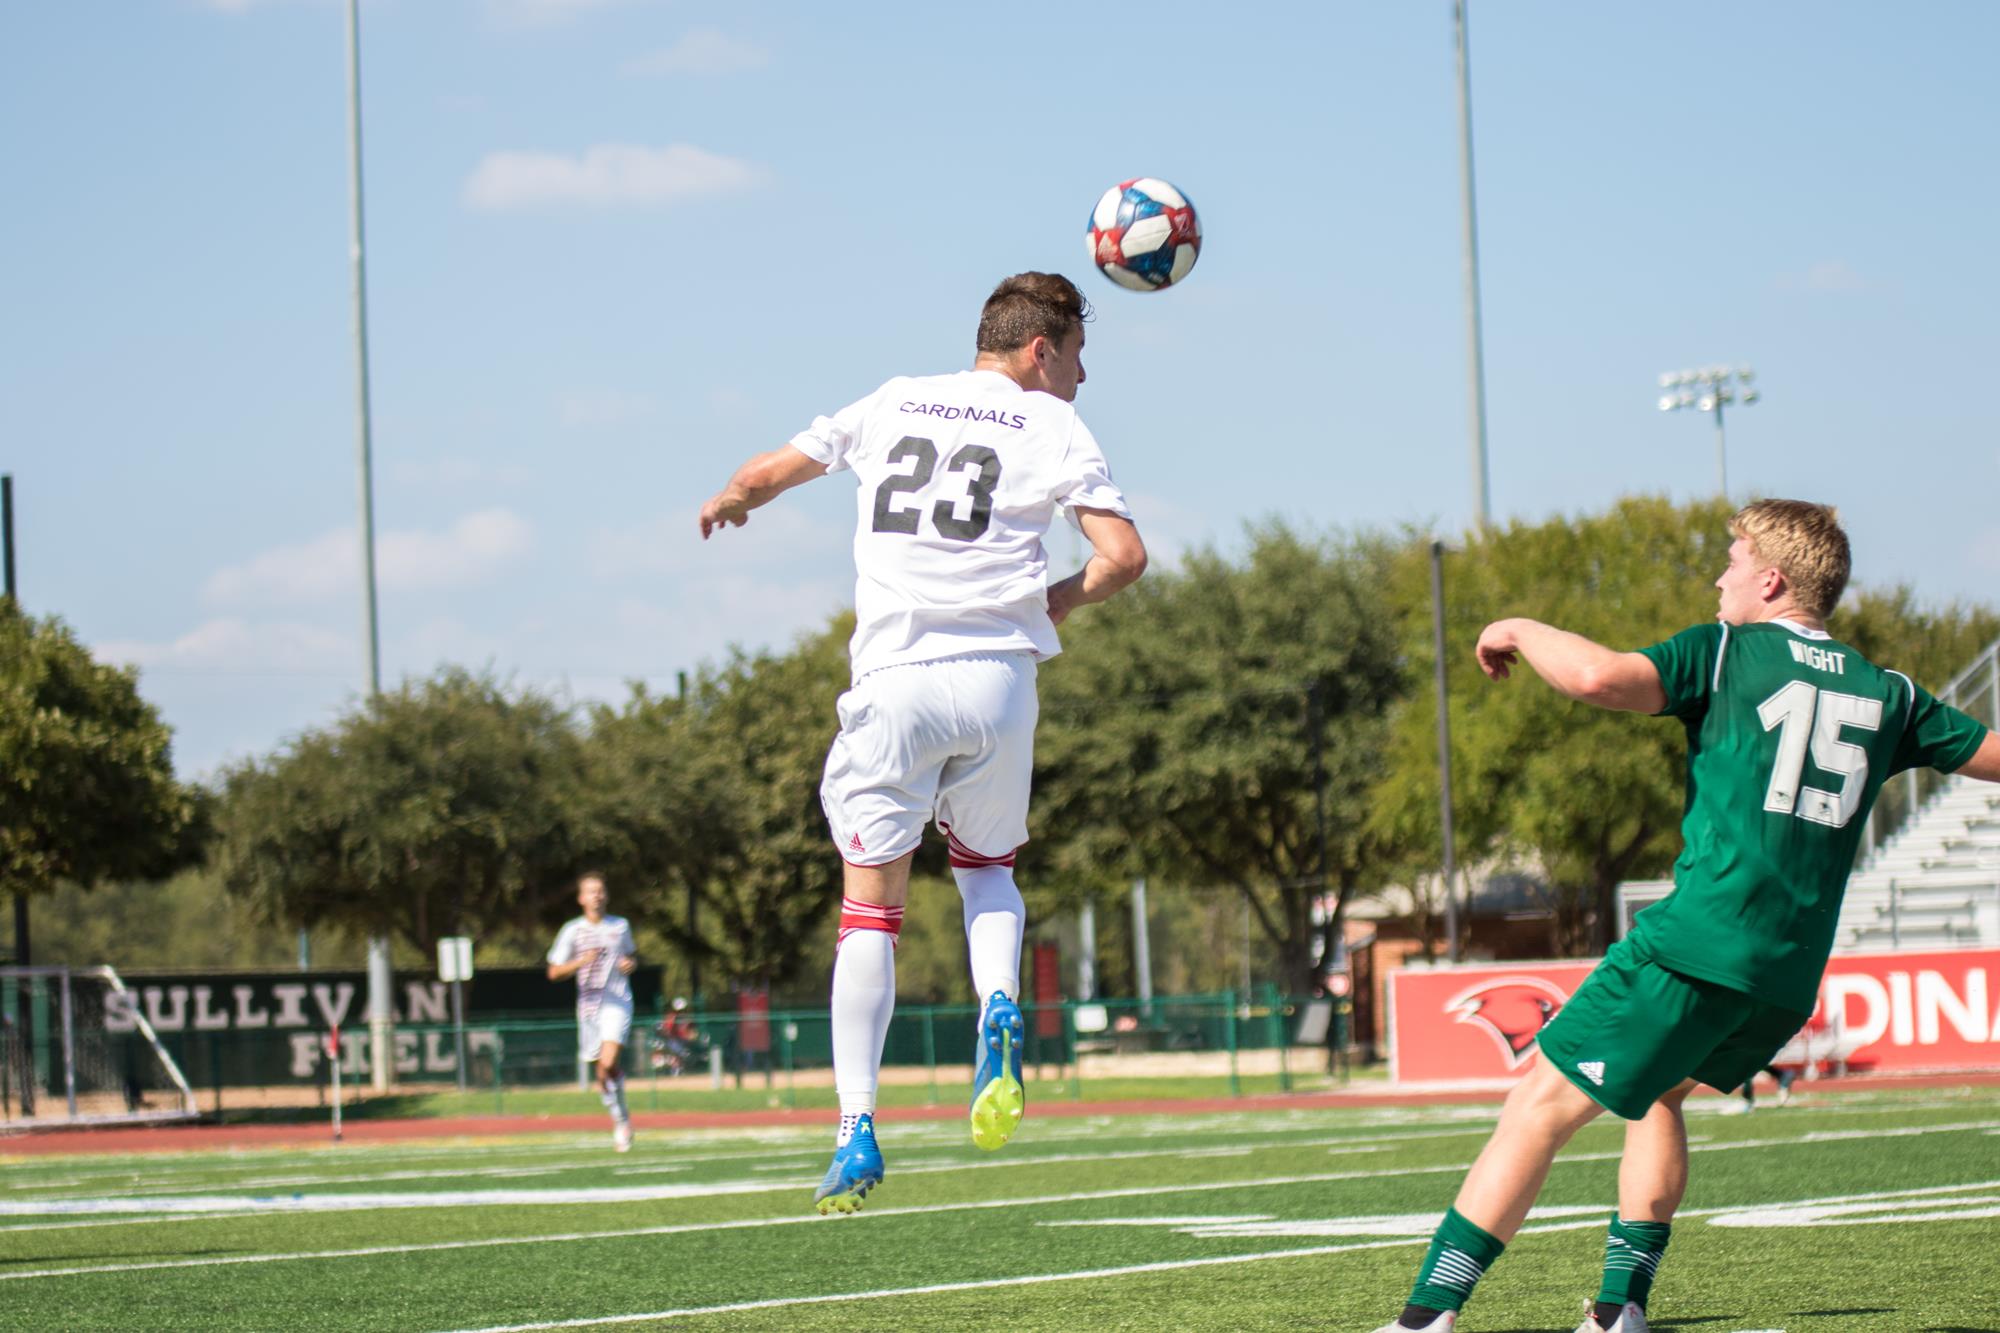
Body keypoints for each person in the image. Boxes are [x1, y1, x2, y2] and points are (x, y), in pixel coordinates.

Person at [1372, 500, 2000, 1333]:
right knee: (1662, 1095)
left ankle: (1424, 1319)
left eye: (1733, 559)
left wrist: (1516, 626)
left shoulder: (1730, 649)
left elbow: (1599, 678)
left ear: (1771, 579)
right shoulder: (1893, 693)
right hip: (1783, 973)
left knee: (1537, 1108)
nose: (1720, 575)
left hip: (1696, 943)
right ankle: (1619, 1307)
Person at [698, 271, 1147, 1215]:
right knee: (987, 867)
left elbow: (766, 473)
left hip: (893, 684)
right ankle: (997, 1003)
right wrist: (1053, 601)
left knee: (871, 914)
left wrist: (731, 503)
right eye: (1075, 358)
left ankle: (856, 1127)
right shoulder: (1053, 426)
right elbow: (1123, 557)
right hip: (996, 680)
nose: (1078, 379)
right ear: (1039, 349)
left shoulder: (895, 399)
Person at [546, 872, 640, 1152]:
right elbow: (553, 971)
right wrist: (580, 962)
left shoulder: (620, 926)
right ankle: (620, 1118)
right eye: (591, 891)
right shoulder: (572, 930)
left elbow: (631, 956)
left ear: (606, 896)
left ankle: (622, 1122)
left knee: (609, 1060)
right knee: (600, 1070)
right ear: (581, 898)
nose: (597, 895)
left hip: (617, 1002)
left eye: (600, 890)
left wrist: (630, 964)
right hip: (588, 1009)